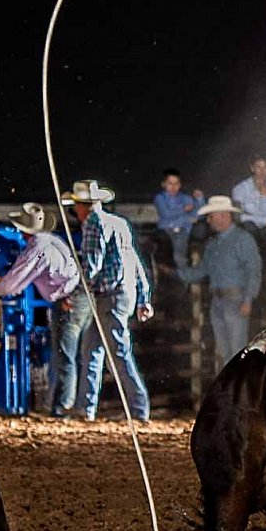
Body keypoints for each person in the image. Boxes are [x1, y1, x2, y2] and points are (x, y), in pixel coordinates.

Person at [67, 179, 154, 421]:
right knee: (92, 349)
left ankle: (138, 409)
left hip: (110, 297)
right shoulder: (119, 223)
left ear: (82, 206)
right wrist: (143, 296)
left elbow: (91, 266)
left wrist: (73, 293)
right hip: (121, 295)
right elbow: (134, 260)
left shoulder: (93, 224)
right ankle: (85, 408)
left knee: (118, 352)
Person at [0, 202, 82, 416]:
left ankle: (63, 408)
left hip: (69, 299)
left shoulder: (37, 248)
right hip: (73, 296)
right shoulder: (51, 240)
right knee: (68, 354)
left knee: (64, 355)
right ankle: (61, 405)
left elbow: (18, 278)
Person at [173, 195, 262, 366]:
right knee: (224, 351)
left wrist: (248, 300)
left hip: (236, 300)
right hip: (218, 302)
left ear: (224, 215)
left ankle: (238, 389)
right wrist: (177, 274)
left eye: (211, 216)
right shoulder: (213, 244)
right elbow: (202, 270)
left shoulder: (243, 239)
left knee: (237, 351)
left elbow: (254, 270)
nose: (209, 220)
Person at [230, 156, 266, 274]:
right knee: (251, 227)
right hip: (251, 225)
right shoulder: (241, 189)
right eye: (258, 167)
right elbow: (238, 216)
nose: (262, 171)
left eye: (265, 167)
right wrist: (265, 221)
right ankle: (262, 266)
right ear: (252, 168)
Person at [153, 168, 203, 270]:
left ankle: (185, 272)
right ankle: (182, 272)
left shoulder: (185, 198)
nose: (173, 187)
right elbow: (166, 214)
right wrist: (184, 211)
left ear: (180, 185)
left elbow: (198, 214)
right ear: (164, 184)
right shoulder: (160, 198)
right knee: (177, 248)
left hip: (183, 229)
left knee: (181, 248)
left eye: (176, 184)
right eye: (170, 183)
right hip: (167, 229)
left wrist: (199, 200)